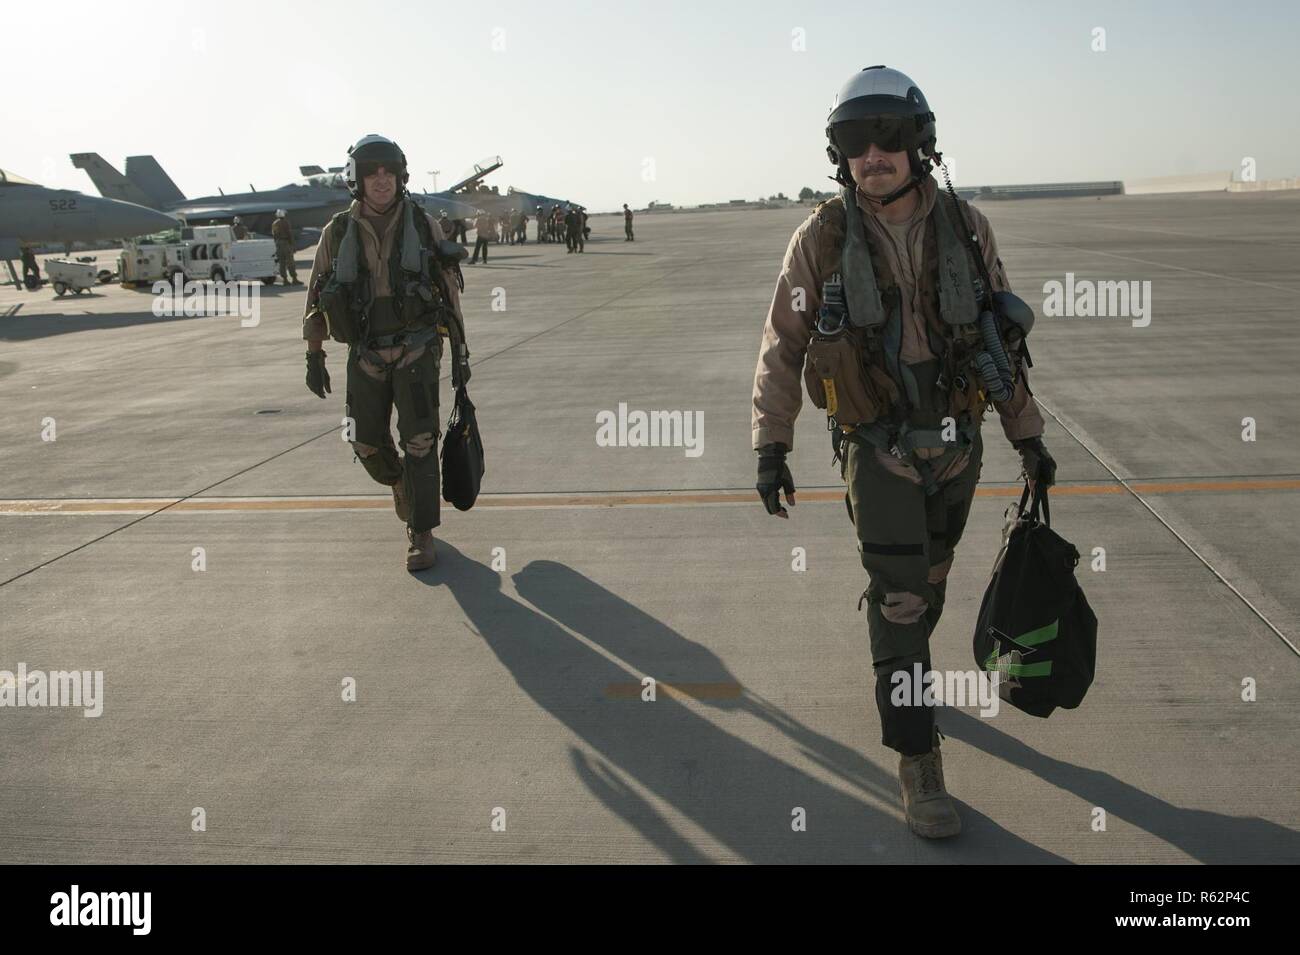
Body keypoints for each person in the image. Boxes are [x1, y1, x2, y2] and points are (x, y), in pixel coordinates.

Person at [750, 66, 1055, 839]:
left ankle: (907, 668)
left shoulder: (967, 227)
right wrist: (771, 442)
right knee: (900, 598)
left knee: (934, 577)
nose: (873, 154)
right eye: (856, 140)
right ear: (839, 152)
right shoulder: (819, 239)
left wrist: (1028, 433)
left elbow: (999, 343)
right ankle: (918, 757)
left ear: (919, 142)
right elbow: (783, 346)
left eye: (889, 136)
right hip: (877, 447)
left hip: (958, 443)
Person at [300, 134, 470, 571]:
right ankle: (397, 483)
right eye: (372, 172)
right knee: (364, 442)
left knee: (420, 441)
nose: (381, 181)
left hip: (416, 348)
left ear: (400, 177)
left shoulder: (421, 223)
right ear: (357, 179)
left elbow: (449, 287)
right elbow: (318, 293)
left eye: (388, 172)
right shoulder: (337, 232)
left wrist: (461, 351)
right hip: (366, 353)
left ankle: (421, 531)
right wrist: (314, 353)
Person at [271, 209, 300, 284]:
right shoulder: (286, 222)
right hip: (286, 243)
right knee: (290, 262)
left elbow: (274, 235)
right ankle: (294, 279)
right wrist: (293, 245)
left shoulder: (274, 223)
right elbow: (289, 234)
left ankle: (285, 280)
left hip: (278, 244)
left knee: (282, 263)